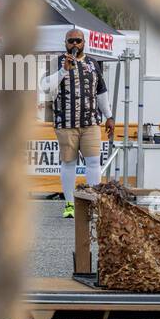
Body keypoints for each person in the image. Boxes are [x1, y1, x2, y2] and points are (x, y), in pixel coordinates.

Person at [40, 28, 114, 218]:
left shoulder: (92, 63)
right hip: (66, 122)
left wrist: (109, 116)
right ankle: (69, 204)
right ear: (65, 43)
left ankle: (92, 203)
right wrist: (64, 69)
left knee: (93, 162)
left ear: (84, 43)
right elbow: (46, 87)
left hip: (90, 121)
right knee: (68, 163)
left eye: (78, 41)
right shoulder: (57, 63)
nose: (74, 44)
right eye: (71, 41)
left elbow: (101, 92)